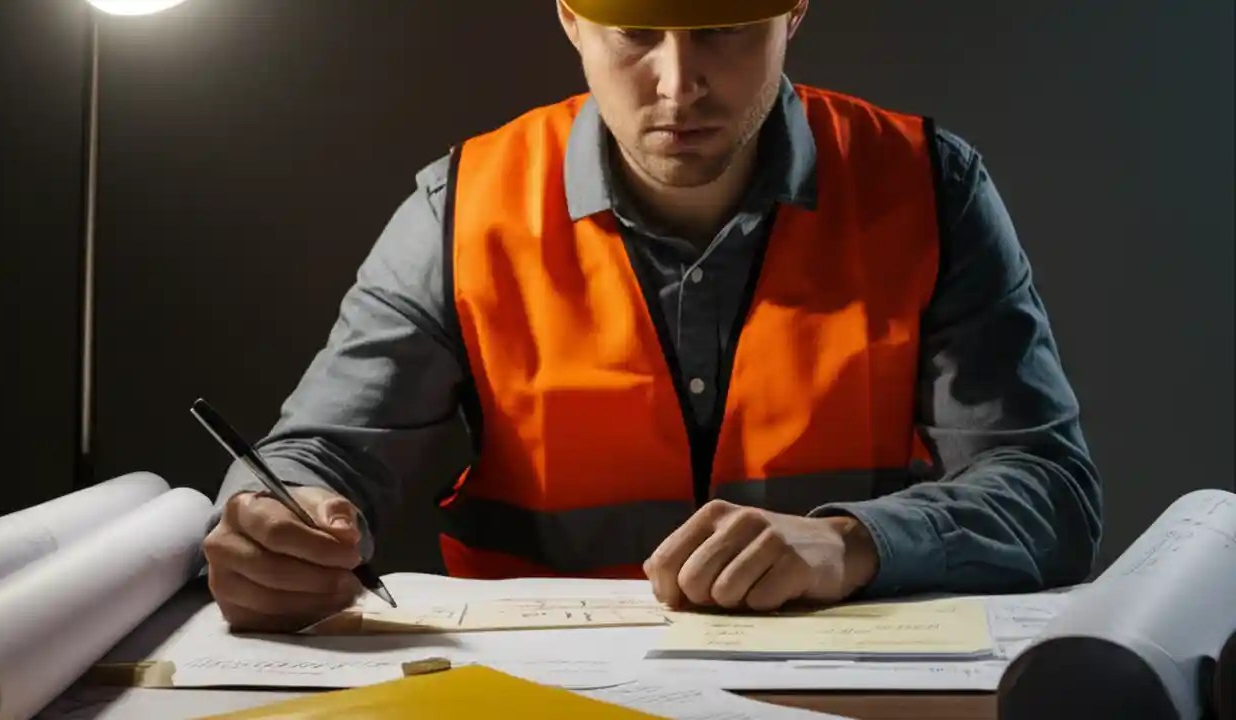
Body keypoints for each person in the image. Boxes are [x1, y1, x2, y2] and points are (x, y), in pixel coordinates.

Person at [203, 0, 1103, 632]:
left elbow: (1050, 495)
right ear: (570, 19)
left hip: (848, 690)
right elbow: (315, 455)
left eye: (722, 32)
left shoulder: (927, 185)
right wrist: (272, 519)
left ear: (792, 16)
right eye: (635, 33)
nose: (679, 83)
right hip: (536, 700)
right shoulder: (463, 208)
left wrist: (852, 543)